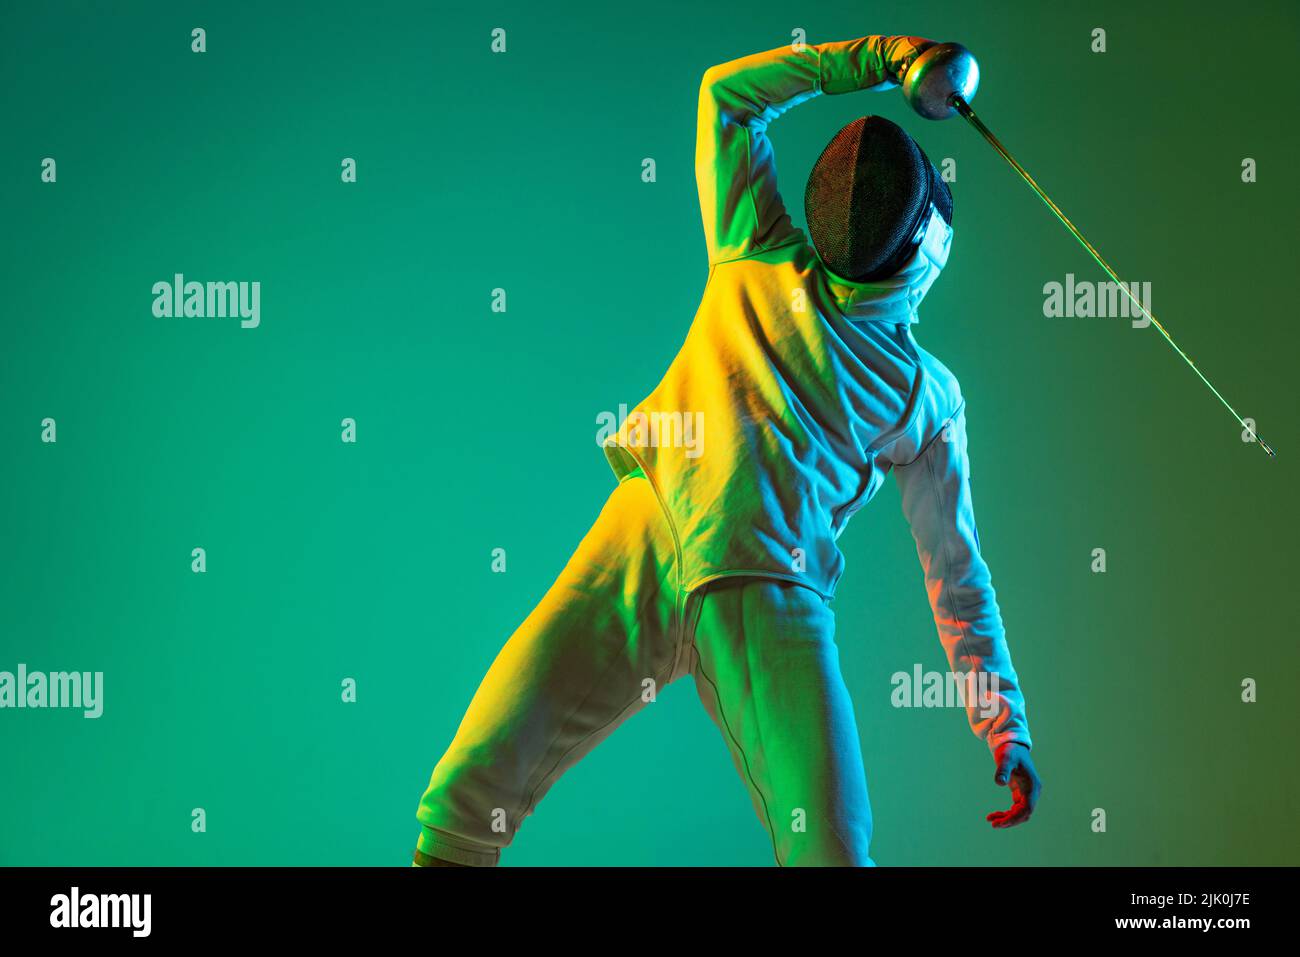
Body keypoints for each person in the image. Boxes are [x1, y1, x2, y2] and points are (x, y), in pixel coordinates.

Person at [413, 33, 1040, 867]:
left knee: (832, 854)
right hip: (651, 541)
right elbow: (957, 580)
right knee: (466, 795)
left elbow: (727, 95)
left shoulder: (917, 387)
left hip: (759, 587)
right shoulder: (762, 255)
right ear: (932, 246)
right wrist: (1006, 725)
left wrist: (883, 60)